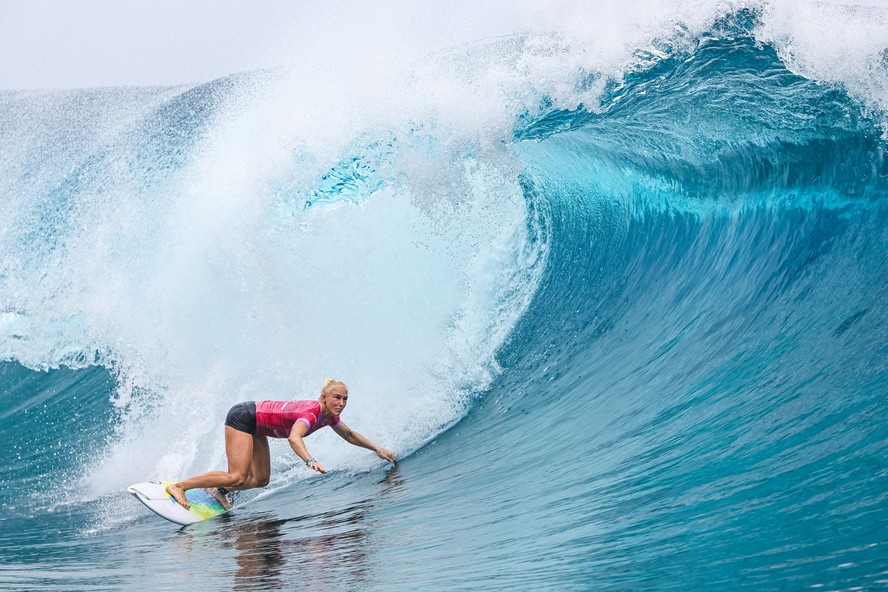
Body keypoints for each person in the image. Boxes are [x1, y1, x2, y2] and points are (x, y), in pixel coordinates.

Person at [166, 378, 396, 510]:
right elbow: (294, 437)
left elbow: (350, 435)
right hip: (244, 417)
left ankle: (218, 490)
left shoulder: (329, 417)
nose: (342, 402)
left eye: (345, 399)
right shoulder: (312, 413)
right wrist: (310, 460)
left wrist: (377, 449)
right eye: (337, 397)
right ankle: (180, 486)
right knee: (238, 475)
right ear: (323, 398)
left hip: (258, 426)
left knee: (261, 479)